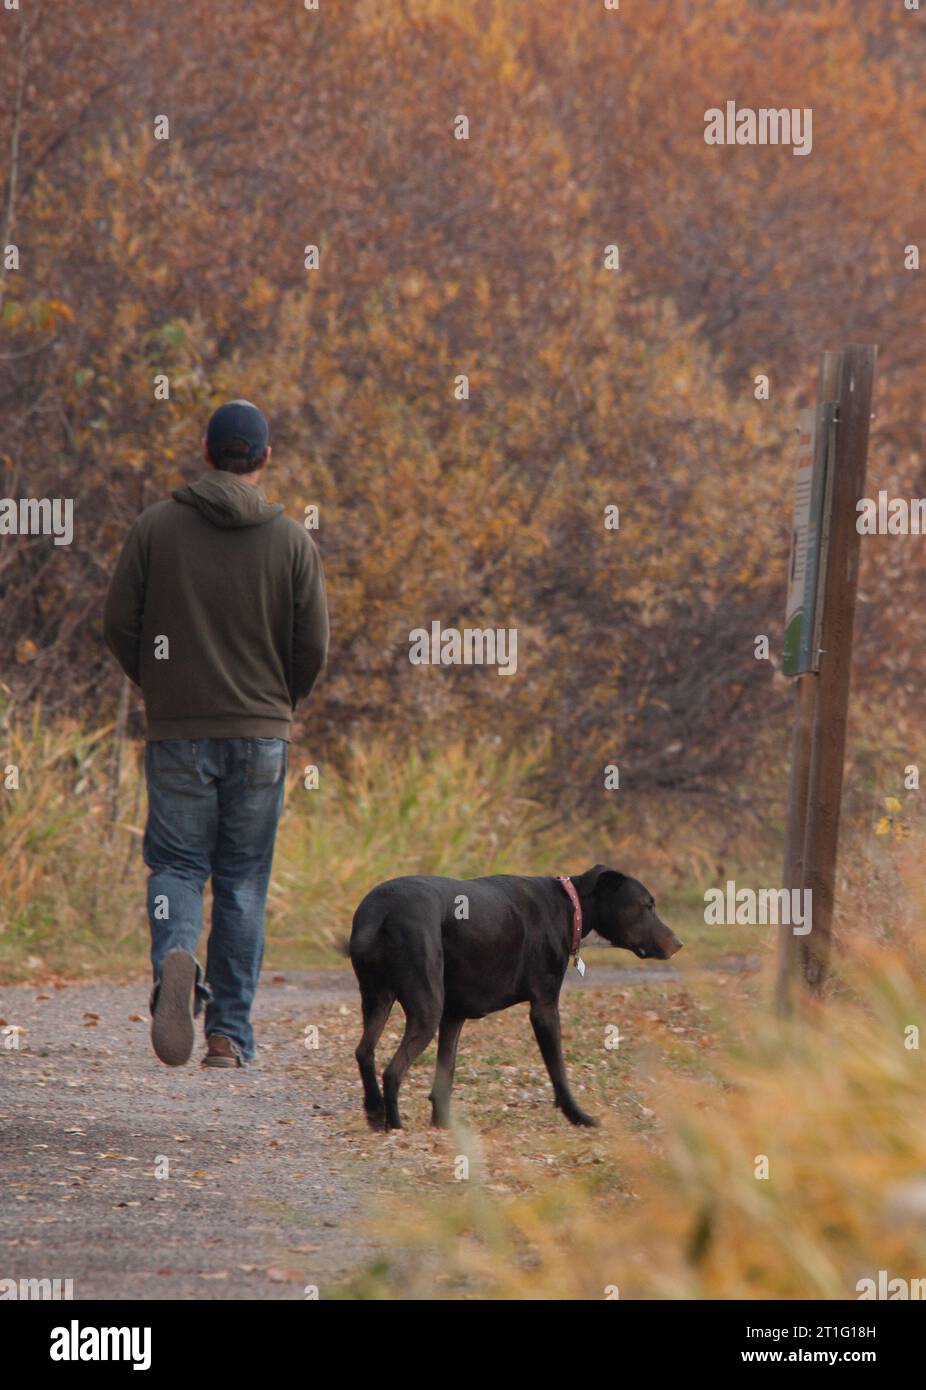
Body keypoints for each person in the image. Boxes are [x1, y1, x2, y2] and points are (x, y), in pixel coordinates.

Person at [103, 400, 329, 1068]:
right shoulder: (292, 540)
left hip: (179, 731)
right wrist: (278, 703)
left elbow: (120, 622)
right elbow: (311, 644)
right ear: (264, 457)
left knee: (175, 865)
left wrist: (161, 686)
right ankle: (228, 1034)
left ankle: (177, 955)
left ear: (205, 451)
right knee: (242, 883)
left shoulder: (155, 528)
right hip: (260, 733)